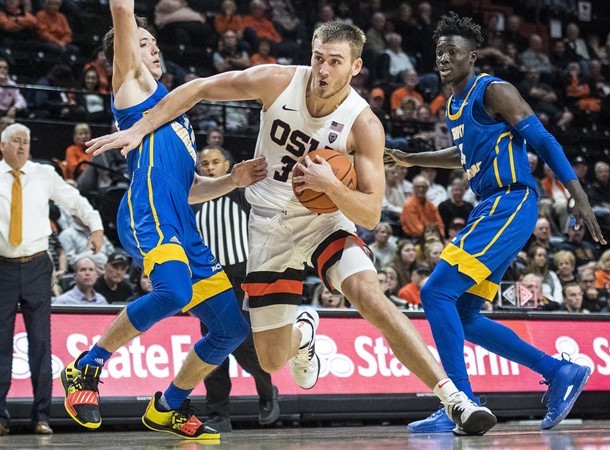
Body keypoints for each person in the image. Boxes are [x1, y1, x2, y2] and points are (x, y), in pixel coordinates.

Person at [88, 20, 498, 436]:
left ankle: (454, 400)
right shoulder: (278, 81)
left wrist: (331, 186)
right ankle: (304, 331)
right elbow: (199, 88)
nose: (323, 70)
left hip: (324, 221)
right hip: (269, 227)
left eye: (335, 62)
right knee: (271, 360)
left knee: (369, 296)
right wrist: (139, 128)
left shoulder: (363, 124)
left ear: (355, 67)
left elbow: (371, 215)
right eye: (318, 58)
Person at [384, 12, 606, 433]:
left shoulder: (494, 90)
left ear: (472, 56)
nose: (444, 58)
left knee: (435, 292)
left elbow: (544, 140)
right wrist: (412, 158)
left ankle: (459, 401)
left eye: (453, 51)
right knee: (464, 313)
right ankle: (559, 371)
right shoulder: (454, 106)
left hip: (511, 201)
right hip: (491, 205)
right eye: (439, 52)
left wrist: (579, 195)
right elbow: (463, 154)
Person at [59, 0, 268, 440]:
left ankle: (167, 406)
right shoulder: (131, 86)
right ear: (125, 53)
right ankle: (86, 366)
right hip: (149, 207)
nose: (153, 48)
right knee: (173, 292)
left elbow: (191, 188)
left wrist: (232, 179)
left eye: (154, 42)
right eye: (142, 43)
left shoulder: (175, 114)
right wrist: (126, 22)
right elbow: (121, 11)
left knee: (230, 329)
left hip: (182, 219)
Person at [0, 123, 105, 436]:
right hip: (0, 267)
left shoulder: (44, 174)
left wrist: (96, 226)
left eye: (26, 141)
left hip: (37, 267)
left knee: (40, 342)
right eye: (15, 141)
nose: (21, 146)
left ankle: (42, 416)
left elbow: (75, 201)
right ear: (2, 145)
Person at [193, 146, 279, 432]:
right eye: (205, 163)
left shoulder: (242, 194)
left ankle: (266, 390)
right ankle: (218, 414)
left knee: (243, 342)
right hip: (208, 279)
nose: (210, 167)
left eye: (215, 162)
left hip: (241, 275)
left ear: (227, 165)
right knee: (212, 347)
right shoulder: (192, 200)